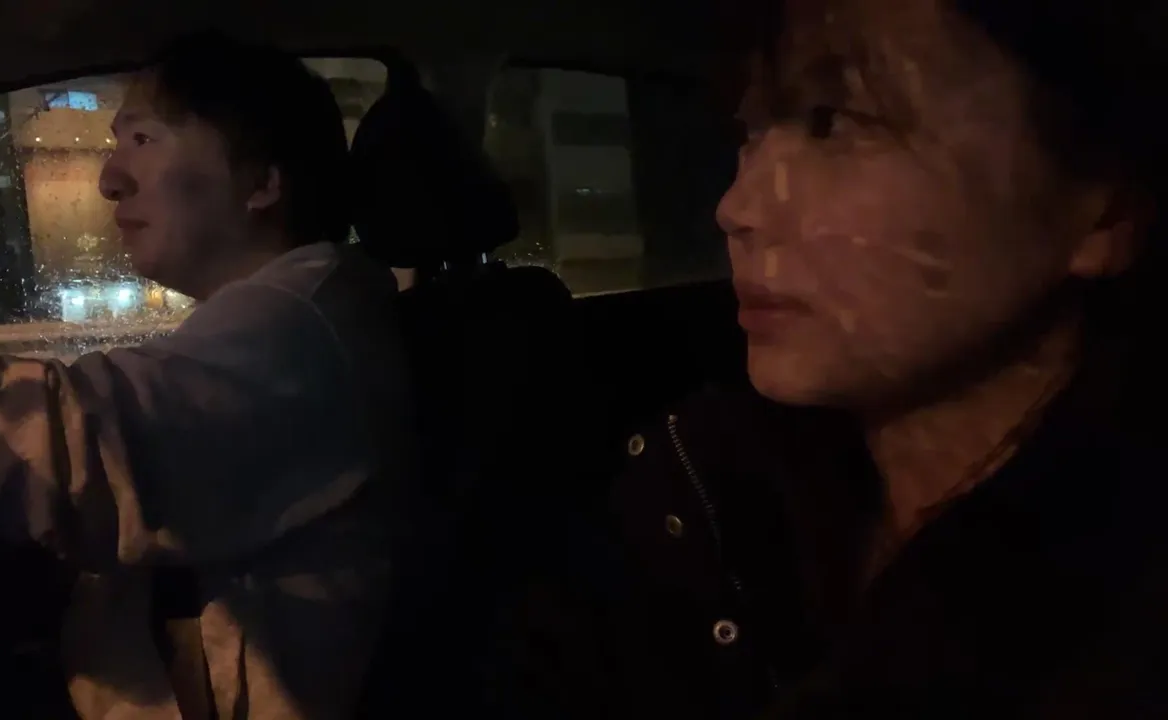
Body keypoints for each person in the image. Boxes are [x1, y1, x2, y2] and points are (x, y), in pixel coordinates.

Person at [492, 0, 1168, 717]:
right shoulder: (703, 489)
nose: (737, 208)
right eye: (750, 132)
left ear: (1105, 209)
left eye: (831, 122)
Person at [0, 33, 416, 719]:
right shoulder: (307, 309)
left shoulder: (296, 325)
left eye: (143, 139)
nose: (109, 179)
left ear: (262, 183)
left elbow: (83, 448)